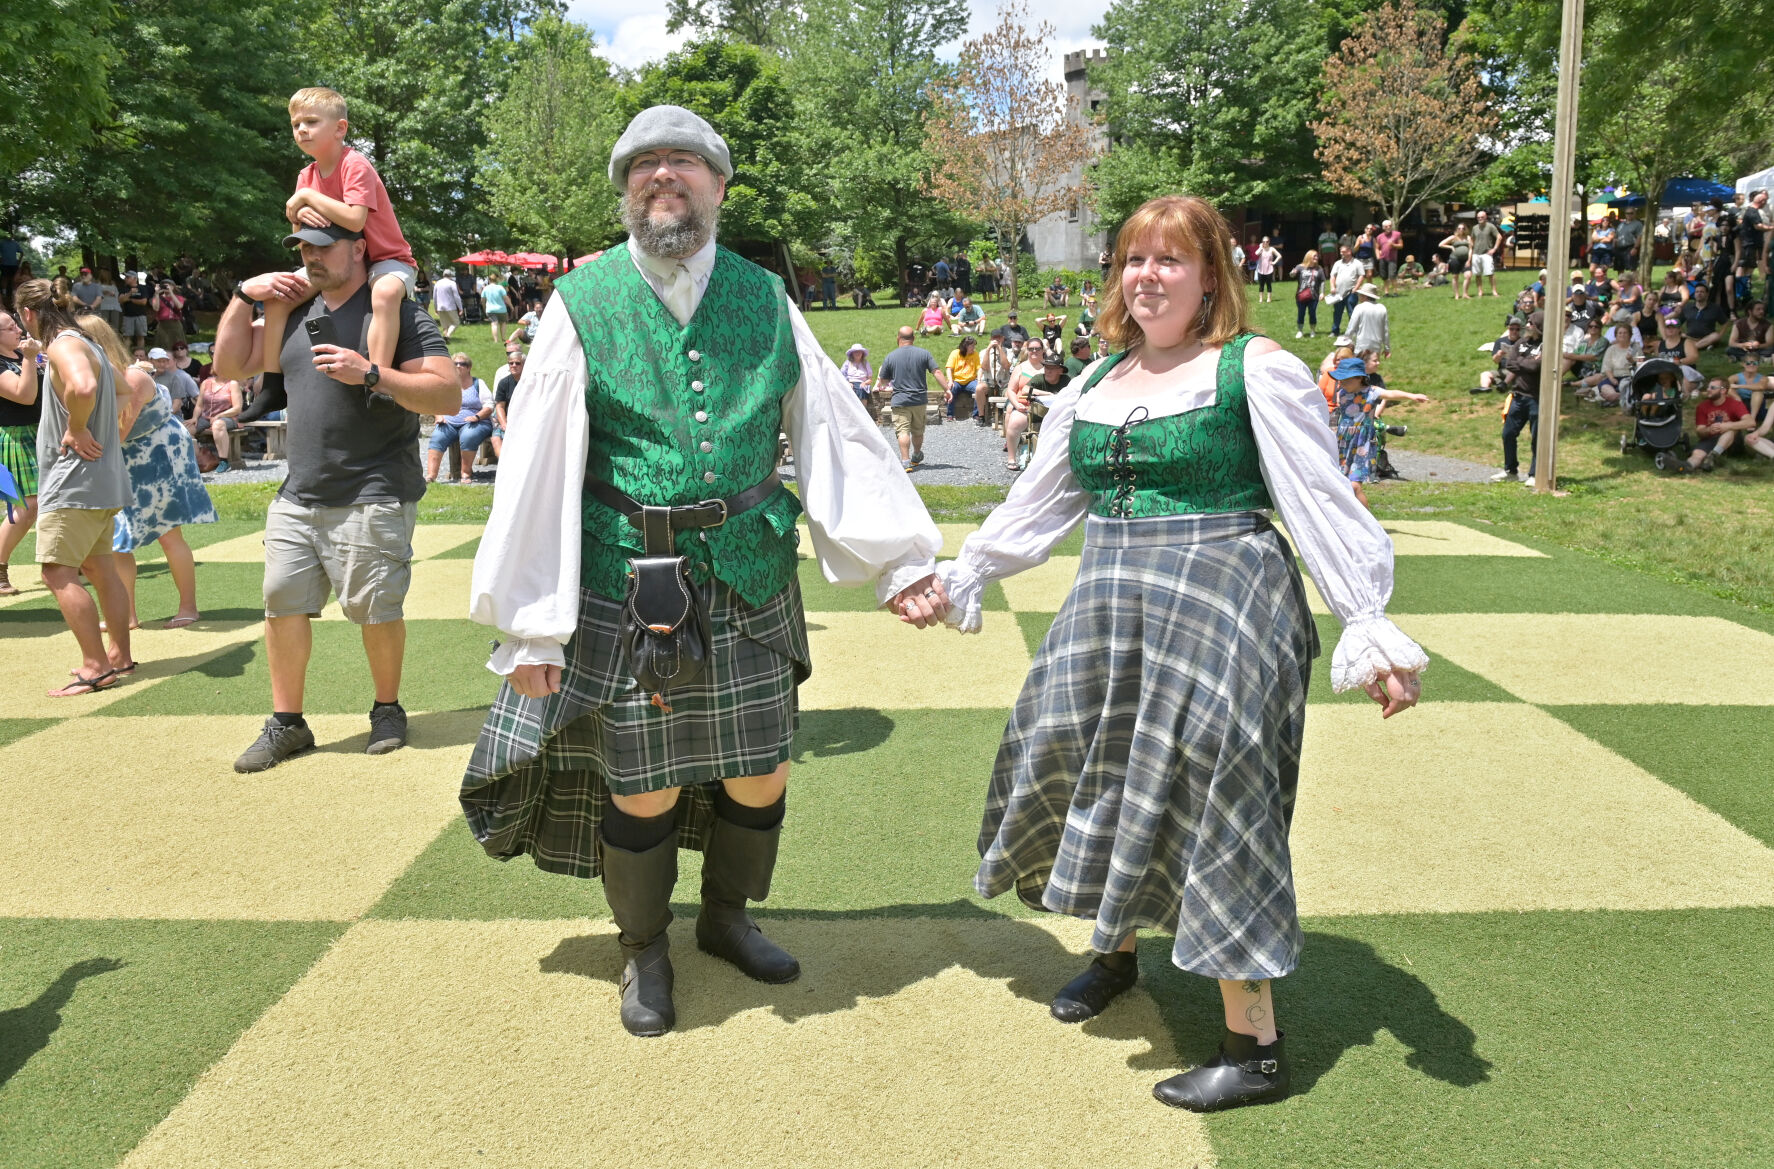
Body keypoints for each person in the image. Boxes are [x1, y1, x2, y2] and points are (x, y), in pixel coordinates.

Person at [910, 194, 1424, 1114]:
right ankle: (1114, 952)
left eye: (1170, 260)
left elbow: (1317, 497)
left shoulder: (1252, 368)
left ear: (1211, 276)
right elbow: (1042, 498)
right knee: (1082, 761)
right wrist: (968, 571)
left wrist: (1369, 622)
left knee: (1216, 792)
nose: (1147, 276)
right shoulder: (1096, 379)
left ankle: (1254, 1048)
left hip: (1227, 593)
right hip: (1110, 596)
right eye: (1132, 260)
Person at [455, 106, 945, 1041]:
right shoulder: (581, 300)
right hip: (632, 582)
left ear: (719, 186)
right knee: (643, 784)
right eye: (644, 166)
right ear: (627, 192)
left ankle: (727, 920)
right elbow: (539, 464)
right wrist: (529, 623)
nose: (662, 177)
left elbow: (832, 429)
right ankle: (645, 947)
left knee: (761, 770)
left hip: (753, 568)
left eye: (683, 163)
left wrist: (896, 562)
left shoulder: (765, 297)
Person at [211, 220, 457, 772]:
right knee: (281, 603)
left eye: (323, 246)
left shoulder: (397, 313)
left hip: (374, 490)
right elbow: (229, 365)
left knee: (374, 609)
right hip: (298, 492)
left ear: (359, 248)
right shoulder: (293, 311)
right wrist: (239, 295)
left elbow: (446, 390)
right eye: (303, 247)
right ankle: (287, 723)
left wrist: (371, 374)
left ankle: (387, 708)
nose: (311, 256)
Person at [13, 280, 135, 696]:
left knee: (57, 573)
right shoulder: (87, 341)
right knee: (101, 570)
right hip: (98, 480)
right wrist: (104, 432)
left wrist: (77, 427)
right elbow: (125, 390)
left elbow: (84, 388)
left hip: (73, 481)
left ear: (28, 315)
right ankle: (119, 657)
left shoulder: (64, 345)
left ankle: (95, 666)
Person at [260, 87, 419, 380]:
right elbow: (299, 238)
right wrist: (298, 214)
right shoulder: (306, 175)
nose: (302, 130)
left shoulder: (354, 164)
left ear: (340, 128)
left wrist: (307, 197)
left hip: (386, 258)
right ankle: (270, 381)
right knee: (278, 296)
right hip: (335, 260)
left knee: (384, 294)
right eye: (296, 125)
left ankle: (379, 378)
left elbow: (356, 219)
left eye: (311, 122)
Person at [88, 315, 215, 630]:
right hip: (126, 456)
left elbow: (117, 433)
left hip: (158, 455)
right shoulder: (102, 378)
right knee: (119, 539)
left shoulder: (131, 378)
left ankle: (188, 607)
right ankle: (125, 615)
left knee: (169, 534)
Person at [1328, 355, 1428, 505]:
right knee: (1341, 485)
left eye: (1346, 379)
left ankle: (1369, 525)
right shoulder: (1341, 393)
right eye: (1340, 380)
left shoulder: (1371, 392)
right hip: (1343, 443)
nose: (1341, 383)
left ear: (1359, 378)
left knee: (1354, 486)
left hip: (1361, 444)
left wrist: (1412, 396)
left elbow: (1392, 393)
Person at [0, 309, 40, 595]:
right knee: (25, 506)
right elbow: (24, 396)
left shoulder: (26, 356)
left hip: (42, 432)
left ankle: (69, 560)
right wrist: (30, 359)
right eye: (10, 327)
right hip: (14, 436)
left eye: (16, 324)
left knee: (57, 499)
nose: (18, 330)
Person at [878, 324, 951, 468]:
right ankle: (916, 455)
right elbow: (936, 372)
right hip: (919, 400)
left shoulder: (891, 356)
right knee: (918, 431)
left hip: (900, 400)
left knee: (902, 431)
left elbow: (883, 381)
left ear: (898, 338)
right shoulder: (924, 353)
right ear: (914, 338)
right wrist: (947, 389)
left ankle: (905, 462)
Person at [425, 352, 494, 484]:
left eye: (462, 364)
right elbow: (435, 403)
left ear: (468, 367)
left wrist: (477, 416)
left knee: (469, 435)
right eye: (454, 364)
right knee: (438, 436)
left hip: (476, 422)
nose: (458, 366)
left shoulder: (478, 383)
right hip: (449, 422)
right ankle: (431, 476)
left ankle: (466, 473)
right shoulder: (446, 384)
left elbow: (489, 405)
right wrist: (439, 416)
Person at [1492, 311, 1544, 483]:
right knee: (1508, 433)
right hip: (1519, 396)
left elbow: (1536, 367)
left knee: (1537, 438)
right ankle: (1510, 471)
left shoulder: (1545, 345)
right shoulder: (1521, 342)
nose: (1527, 325)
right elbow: (1510, 364)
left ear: (1539, 326)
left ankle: (1535, 474)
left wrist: (1523, 363)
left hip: (1537, 398)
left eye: (1531, 322)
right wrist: (1526, 363)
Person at [1682, 376, 1774, 470]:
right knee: (1697, 454)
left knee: (1730, 431)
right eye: (1708, 387)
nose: (1708, 390)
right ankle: (1686, 467)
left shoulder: (1735, 404)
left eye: (1712, 388)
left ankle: (1713, 456)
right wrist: (1709, 429)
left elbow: (1750, 422)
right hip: (1711, 438)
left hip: (1732, 442)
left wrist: (1727, 425)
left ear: (1723, 391)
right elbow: (1700, 431)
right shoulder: (1702, 407)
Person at [1002, 337, 1046, 470]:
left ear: (1042, 350)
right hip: (1023, 406)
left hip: (1043, 408)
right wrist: (1016, 404)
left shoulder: (1048, 367)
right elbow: (1011, 390)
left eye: (1037, 349)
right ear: (1027, 350)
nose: (1034, 351)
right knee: (1014, 422)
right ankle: (1011, 457)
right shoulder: (1021, 367)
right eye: (1031, 349)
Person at [190, 375, 245, 470]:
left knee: (218, 425)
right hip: (206, 417)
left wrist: (219, 416)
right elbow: (199, 405)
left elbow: (237, 408)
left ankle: (224, 461)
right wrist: (194, 418)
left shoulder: (232, 383)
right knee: (185, 428)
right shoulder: (206, 383)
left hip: (228, 417)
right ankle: (194, 459)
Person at [490, 348, 525, 458]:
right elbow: (499, 406)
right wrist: (504, 423)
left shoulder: (530, 382)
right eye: (511, 363)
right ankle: (503, 468)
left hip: (525, 421)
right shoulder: (504, 383)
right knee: (496, 439)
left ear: (524, 365)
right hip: (508, 419)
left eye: (517, 363)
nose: (514, 365)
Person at [1346, 283, 1390, 365]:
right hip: (1376, 346)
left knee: (1359, 370)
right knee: (1372, 369)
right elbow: (1385, 330)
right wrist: (1387, 348)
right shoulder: (1382, 308)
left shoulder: (1359, 307)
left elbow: (1351, 327)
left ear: (1365, 296)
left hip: (1362, 345)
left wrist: (1346, 341)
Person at [1679, 283, 1728, 352]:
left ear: (1707, 294)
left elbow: (1725, 323)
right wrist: (1681, 332)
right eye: (1697, 292)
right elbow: (1678, 322)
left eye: (1702, 292)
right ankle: (1704, 346)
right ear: (1694, 294)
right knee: (1680, 336)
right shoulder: (1687, 307)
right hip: (1690, 337)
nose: (1699, 294)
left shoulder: (1715, 308)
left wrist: (1720, 335)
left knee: (1715, 336)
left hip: (1708, 337)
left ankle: (1693, 347)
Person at [1327, 245, 1364, 337]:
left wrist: (1356, 287)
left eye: (1343, 252)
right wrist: (1332, 286)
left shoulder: (1357, 263)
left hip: (1351, 292)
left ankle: (1354, 331)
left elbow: (1361, 276)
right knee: (1337, 312)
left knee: (1352, 312)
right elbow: (1332, 276)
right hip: (1338, 293)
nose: (1341, 254)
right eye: (1340, 252)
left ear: (1349, 252)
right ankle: (1335, 331)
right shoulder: (1337, 263)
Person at [979, 329, 1012, 428]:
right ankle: (981, 416)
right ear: (990, 339)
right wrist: (989, 350)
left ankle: (1006, 415)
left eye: (999, 337)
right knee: (979, 389)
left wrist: (999, 348)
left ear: (1002, 338)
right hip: (989, 382)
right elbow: (984, 367)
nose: (996, 340)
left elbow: (1006, 366)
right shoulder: (983, 352)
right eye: (994, 338)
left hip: (1003, 383)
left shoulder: (1008, 351)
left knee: (1009, 393)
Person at [945, 334, 982, 421]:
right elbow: (949, 369)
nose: (974, 348)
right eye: (972, 346)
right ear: (966, 346)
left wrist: (979, 380)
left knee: (979, 389)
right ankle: (950, 414)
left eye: (974, 346)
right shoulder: (955, 353)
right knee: (951, 389)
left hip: (970, 381)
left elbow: (979, 369)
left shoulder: (975, 354)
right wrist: (950, 381)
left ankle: (976, 414)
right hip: (957, 380)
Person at [1290, 250, 1324, 339]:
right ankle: (1300, 331)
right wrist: (1292, 273)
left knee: (1312, 313)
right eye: (1314, 256)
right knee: (1301, 313)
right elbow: (1292, 275)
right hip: (1301, 295)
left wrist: (1322, 292)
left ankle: (1312, 331)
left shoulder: (1319, 269)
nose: (1317, 258)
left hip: (1314, 296)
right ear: (1309, 257)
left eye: (1317, 256)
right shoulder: (1300, 267)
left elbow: (1322, 281)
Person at [1470, 210, 1502, 297]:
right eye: (1478, 217)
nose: (1480, 219)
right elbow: (1472, 239)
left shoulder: (1490, 226)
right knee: (1477, 274)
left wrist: (1494, 249)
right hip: (1476, 254)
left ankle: (1494, 291)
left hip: (1487, 254)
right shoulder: (1474, 228)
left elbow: (1499, 237)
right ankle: (1480, 292)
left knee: (1490, 274)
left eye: (1482, 217)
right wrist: (1471, 247)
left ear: (1486, 217)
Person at [1438, 223, 1473, 299]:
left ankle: (1465, 294)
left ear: (1465, 229)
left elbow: (1470, 249)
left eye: (1463, 228)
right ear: (1457, 229)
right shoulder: (1453, 237)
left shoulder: (1468, 238)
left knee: (1468, 275)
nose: (1461, 230)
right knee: (1455, 276)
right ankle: (1457, 294)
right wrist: (1450, 246)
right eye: (1459, 228)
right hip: (1455, 259)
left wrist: (1469, 260)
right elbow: (1440, 244)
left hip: (1465, 260)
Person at [150, 279, 186, 350]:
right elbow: (156, 308)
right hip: (162, 325)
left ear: (173, 287)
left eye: (168, 285)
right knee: (162, 345)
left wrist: (171, 293)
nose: (166, 287)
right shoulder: (157, 297)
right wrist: (156, 293)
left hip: (175, 324)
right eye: (164, 285)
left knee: (177, 345)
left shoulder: (179, 297)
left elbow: (179, 306)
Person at [839, 342, 872, 415]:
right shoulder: (847, 363)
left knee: (862, 389)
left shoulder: (866, 363)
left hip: (861, 383)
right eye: (856, 352)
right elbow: (841, 374)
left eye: (859, 352)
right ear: (852, 354)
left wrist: (865, 383)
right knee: (849, 390)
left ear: (862, 353)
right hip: (850, 383)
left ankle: (863, 413)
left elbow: (870, 379)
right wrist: (847, 383)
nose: (858, 354)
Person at [1375, 220, 1404, 294]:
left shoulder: (1397, 234)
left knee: (1392, 275)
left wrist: (1393, 245)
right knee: (1384, 276)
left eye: (1390, 226)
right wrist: (1378, 255)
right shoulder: (1379, 237)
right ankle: (1386, 292)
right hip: (1383, 258)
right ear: (1383, 227)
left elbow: (1401, 245)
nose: (1389, 227)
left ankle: (1395, 292)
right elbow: (1377, 248)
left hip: (1392, 259)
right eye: (1386, 226)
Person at [433, 269, 462, 339]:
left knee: (445, 325)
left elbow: (434, 297)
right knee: (456, 323)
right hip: (450, 307)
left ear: (443, 275)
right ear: (450, 275)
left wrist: (435, 307)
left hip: (440, 307)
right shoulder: (452, 283)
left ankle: (445, 338)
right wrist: (460, 307)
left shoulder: (437, 283)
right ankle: (448, 335)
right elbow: (456, 296)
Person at [482, 272, 510, 343]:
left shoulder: (485, 288)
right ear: (496, 280)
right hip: (501, 309)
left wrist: (484, 308)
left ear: (489, 280)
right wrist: (511, 306)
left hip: (490, 310)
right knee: (503, 323)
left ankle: (496, 340)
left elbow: (482, 300)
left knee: (494, 324)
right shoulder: (500, 288)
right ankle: (503, 338)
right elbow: (506, 298)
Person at [1253, 236, 1280, 304]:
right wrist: (1261, 247)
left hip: (1269, 270)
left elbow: (1279, 256)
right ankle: (1261, 299)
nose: (1265, 243)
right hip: (1260, 270)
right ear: (1262, 242)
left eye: (1267, 241)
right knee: (1261, 285)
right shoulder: (1261, 249)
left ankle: (1268, 298)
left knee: (1269, 285)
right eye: (1264, 241)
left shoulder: (1272, 249)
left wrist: (1274, 262)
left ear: (1269, 242)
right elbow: (1256, 253)